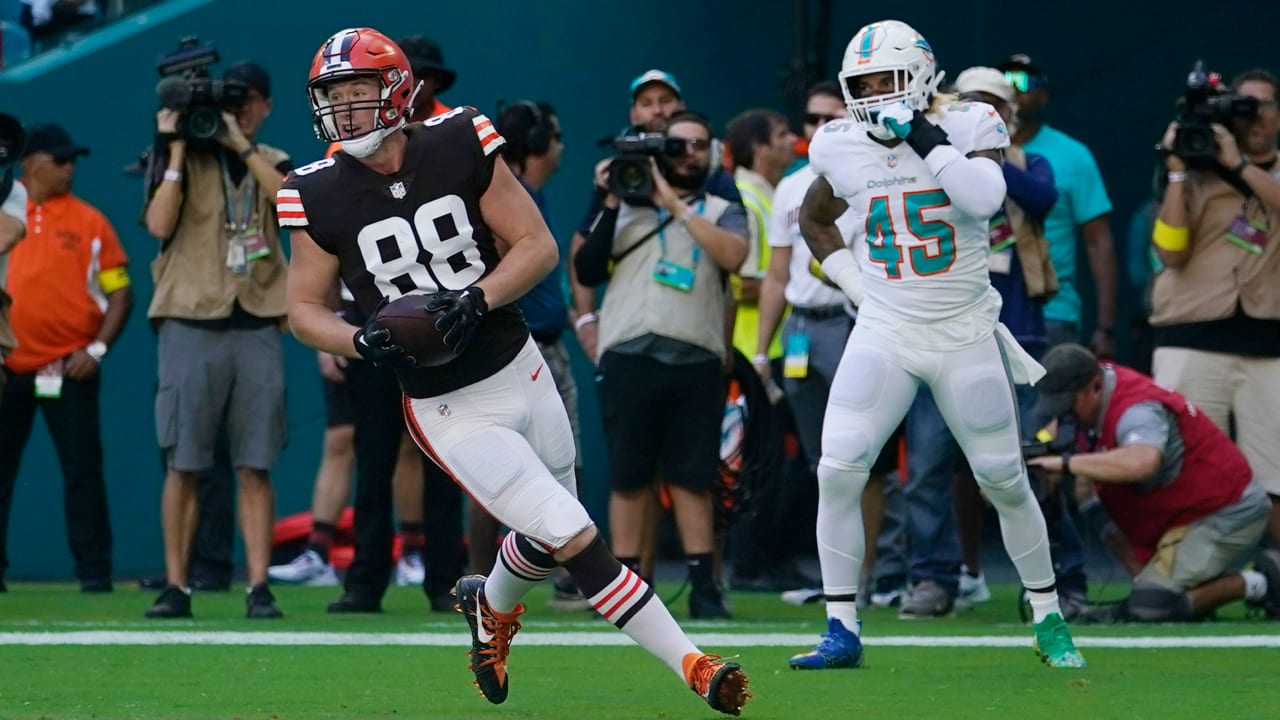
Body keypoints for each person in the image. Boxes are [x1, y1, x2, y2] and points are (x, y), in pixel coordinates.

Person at [281, 28, 749, 715]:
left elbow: (536, 245)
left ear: (398, 91)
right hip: (446, 403)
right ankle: (695, 665)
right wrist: (361, 341)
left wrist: (477, 298)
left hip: (519, 363)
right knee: (571, 530)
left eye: (358, 93)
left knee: (547, 533)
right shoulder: (315, 190)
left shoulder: (459, 139)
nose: (345, 111)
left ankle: (489, 608)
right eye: (333, 97)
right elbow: (301, 309)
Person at [787, 19, 1084, 670]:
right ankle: (841, 627)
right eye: (859, 84)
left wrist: (920, 134)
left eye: (883, 81)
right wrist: (852, 280)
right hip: (887, 328)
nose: (871, 96)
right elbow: (812, 217)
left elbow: (983, 200)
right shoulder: (839, 143)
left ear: (920, 76)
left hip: (963, 332)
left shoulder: (971, 123)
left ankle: (1048, 616)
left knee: (1003, 480)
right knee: (838, 469)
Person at [575, 111, 749, 619]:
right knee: (629, 475)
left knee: (692, 477)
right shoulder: (622, 205)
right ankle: (623, 586)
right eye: (677, 146)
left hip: (695, 356)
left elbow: (734, 256)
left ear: (712, 152)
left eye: (698, 145)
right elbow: (586, 267)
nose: (688, 155)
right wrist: (608, 197)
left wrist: (671, 202)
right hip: (629, 353)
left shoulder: (723, 207)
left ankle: (704, 586)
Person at [142, 60, 290, 619]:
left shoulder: (272, 160)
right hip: (190, 319)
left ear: (266, 106)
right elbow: (158, 225)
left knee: (256, 463)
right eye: (232, 103)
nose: (240, 112)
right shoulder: (182, 158)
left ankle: (258, 587)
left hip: (255, 320)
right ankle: (177, 586)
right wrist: (177, 147)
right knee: (184, 461)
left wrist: (240, 146)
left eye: (249, 102)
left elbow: (292, 204)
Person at [1027, 344, 1280, 622]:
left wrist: (1064, 464)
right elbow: (1051, 433)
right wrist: (1032, 454)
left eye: (1067, 404)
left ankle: (1264, 582)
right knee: (1088, 492)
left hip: (1228, 510)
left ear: (1095, 388)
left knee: (1152, 607)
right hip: (1182, 510)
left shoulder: (1138, 409)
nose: (1064, 414)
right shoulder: (1090, 397)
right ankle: (1156, 585)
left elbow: (1142, 463)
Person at [1150, 68, 1280, 548]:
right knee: (1182, 465)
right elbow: (1169, 251)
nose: (1254, 117)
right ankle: (1173, 581)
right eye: (1242, 106)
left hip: (1268, 345)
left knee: (1275, 476)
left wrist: (1241, 167)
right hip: (1192, 336)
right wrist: (1179, 170)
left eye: (1263, 106)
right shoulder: (1197, 169)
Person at [0, 123, 129, 593]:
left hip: (66, 365)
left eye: (73, 160)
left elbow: (120, 293)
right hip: (7, 365)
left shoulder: (89, 221)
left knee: (82, 472)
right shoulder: (5, 211)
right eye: (61, 160)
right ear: (31, 163)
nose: (70, 168)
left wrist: (95, 350)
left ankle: (94, 573)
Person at [997, 54, 1118, 357]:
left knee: (1047, 405)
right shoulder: (961, 148)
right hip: (978, 311)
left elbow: (1098, 241)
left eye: (1025, 82)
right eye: (1005, 81)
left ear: (1044, 94)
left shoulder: (1073, 155)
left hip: (1051, 311)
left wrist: (1105, 326)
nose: (1013, 88)